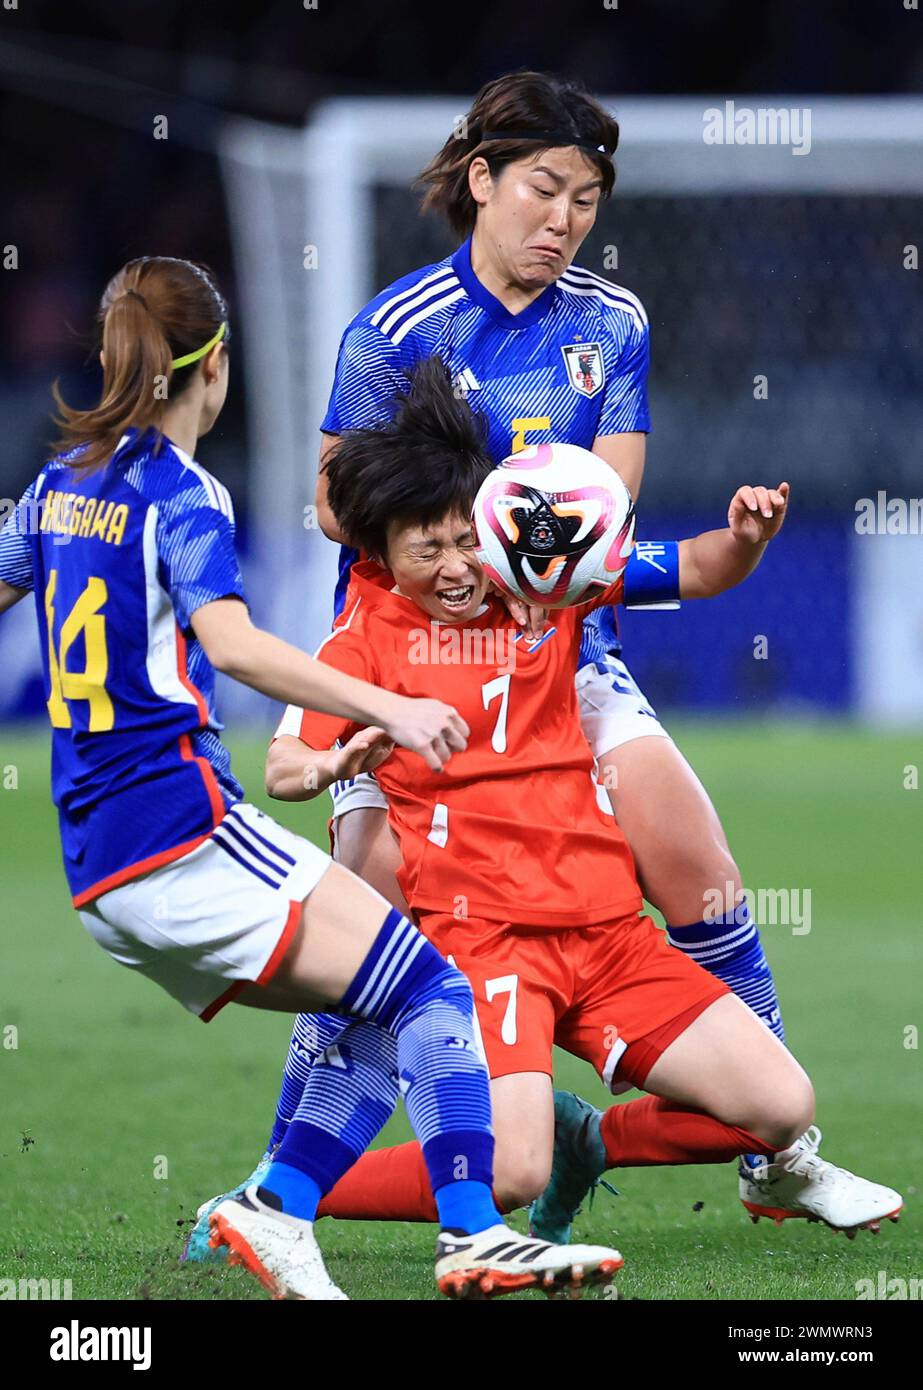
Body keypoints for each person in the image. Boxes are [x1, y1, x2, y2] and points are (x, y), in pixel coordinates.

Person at [184, 69, 896, 1260]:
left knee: (695, 857)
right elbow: (325, 503)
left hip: (557, 631)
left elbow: (604, 513)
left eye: (584, 198)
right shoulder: (397, 332)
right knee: (372, 893)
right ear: (481, 183)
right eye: (542, 189)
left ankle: (773, 1145)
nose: (562, 218)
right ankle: (280, 1185)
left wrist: (548, 546)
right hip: (408, 648)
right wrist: (457, 540)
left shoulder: (609, 321)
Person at [0, 257, 626, 1301]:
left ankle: (280, 1203)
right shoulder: (182, 492)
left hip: (96, 868)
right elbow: (234, 644)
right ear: (219, 370)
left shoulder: (58, 486)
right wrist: (388, 706)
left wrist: (335, 754)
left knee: (373, 997)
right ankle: (468, 1232)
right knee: (430, 981)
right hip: (180, 831)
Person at [258, 358, 899, 1240]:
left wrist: (746, 538)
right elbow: (283, 766)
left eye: (464, 540)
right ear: (380, 553)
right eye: (426, 549)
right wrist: (344, 760)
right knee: (511, 1172)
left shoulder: (542, 577)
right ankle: (276, 1202)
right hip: (488, 947)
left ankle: (591, 1142)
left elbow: (696, 571)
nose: (456, 568)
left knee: (779, 1106)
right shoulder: (360, 647)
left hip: (607, 935)